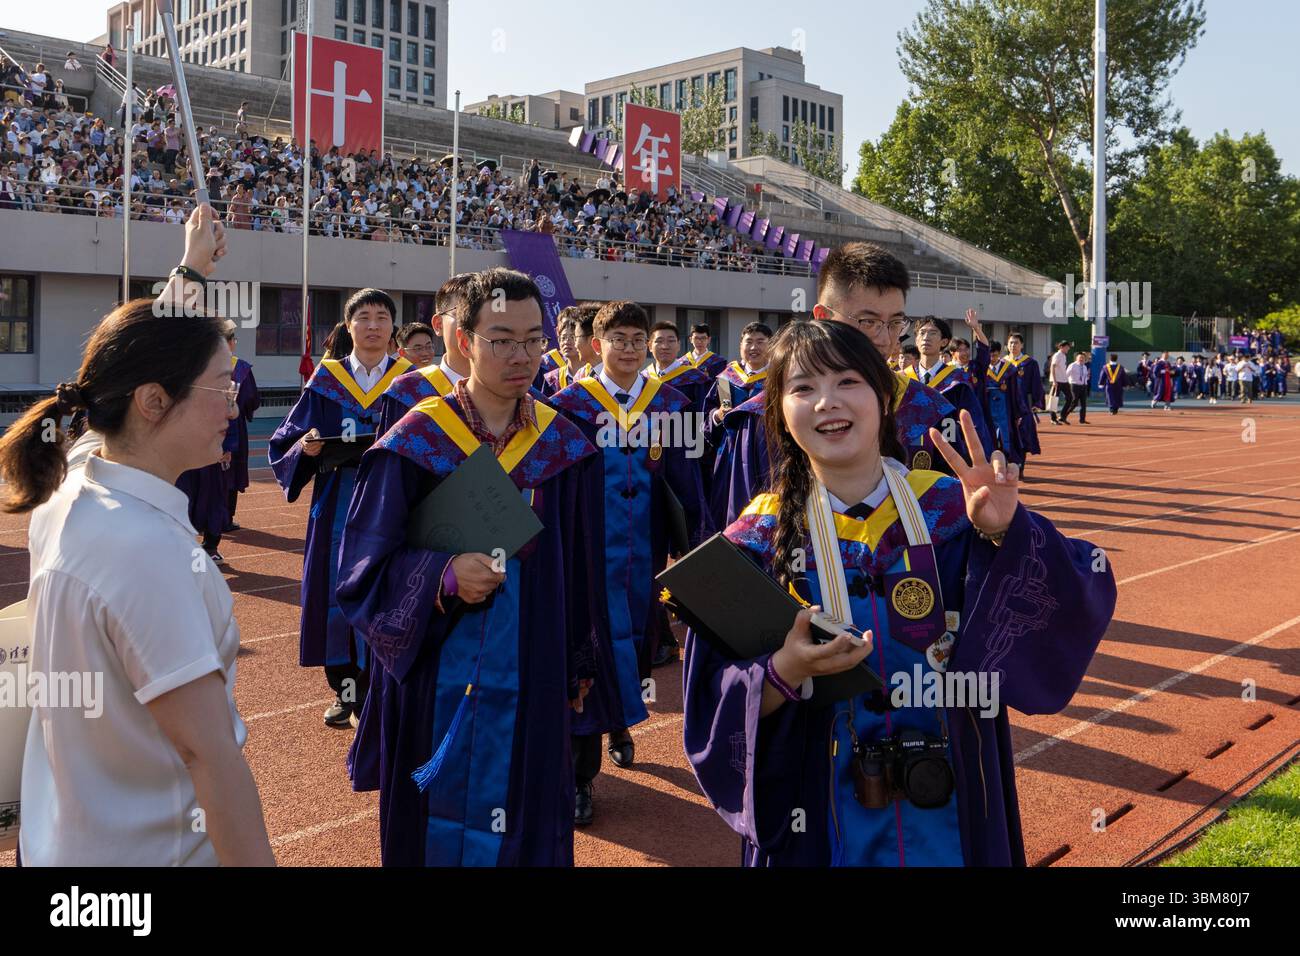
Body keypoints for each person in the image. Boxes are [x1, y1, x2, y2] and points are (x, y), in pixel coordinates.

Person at [682, 318, 1116, 866]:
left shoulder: (954, 514)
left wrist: (1007, 533)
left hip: (950, 791)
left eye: (847, 382)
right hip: (818, 808)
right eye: (802, 388)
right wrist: (785, 670)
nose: (826, 403)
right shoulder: (758, 542)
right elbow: (709, 708)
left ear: (885, 397)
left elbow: (1080, 593)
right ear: (777, 412)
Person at [1, 204, 274, 866]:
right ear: (153, 402)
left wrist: (192, 267)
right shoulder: (145, 550)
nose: (233, 407)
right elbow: (206, 753)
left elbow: (126, 365)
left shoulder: (74, 478)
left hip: (69, 852)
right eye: (221, 388)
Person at [336, 268, 598, 866]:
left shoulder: (565, 448)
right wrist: (443, 575)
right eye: (502, 339)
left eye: (534, 340)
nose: (523, 355)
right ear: (463, 343)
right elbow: (360, 570)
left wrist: (580, 663)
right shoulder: (416, 441)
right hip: (436, 675)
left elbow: (581, 568)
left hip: (535, 669)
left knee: (528, 824)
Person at [550, 301, 708, 826]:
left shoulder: (669, 404)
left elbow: (686, 481)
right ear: (596, 345)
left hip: (643, 552)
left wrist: (699, 544)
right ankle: (578, 777)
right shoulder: (568, 405)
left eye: (638, 340)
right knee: (586, 651)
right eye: (618, 339)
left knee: (636, 643)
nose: (630, 348)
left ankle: (619, 724)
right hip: (587, 553)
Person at [268, 288, 413, 728]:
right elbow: (285, 440)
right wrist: (306, 448)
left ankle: (382, 687)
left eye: (382, 317)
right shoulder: (325, 383)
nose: (373, 325)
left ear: (393, 328)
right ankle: (346, 690)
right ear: (348, 327)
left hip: (394, 504)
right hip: (336, 503)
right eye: (364, 317)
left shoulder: (411, 382)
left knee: (387, 586)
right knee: (336, 587)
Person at [375, 274, 474, 435]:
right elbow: (391, 459)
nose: (477, 324)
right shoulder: (406, 391)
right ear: (438, 324)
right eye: (466, 313)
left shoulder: (520, 394)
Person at [904, 315, 992, 453]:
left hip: (948, 451)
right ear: (916, 340)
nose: (926, 337)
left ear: (944, 342)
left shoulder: (957, 380)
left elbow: (973, 421)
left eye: (932, 333)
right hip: (910, 453)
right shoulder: (903, 378)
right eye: (922, 333)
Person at [223, 326, 261, 532]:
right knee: (231, 470)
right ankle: (225, 518)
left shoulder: (200, 364)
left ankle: (202, 519)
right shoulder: (240, 368)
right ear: (229, 342)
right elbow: (250, 399)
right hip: (233, 424)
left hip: (205, 426)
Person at [981, 341, 1037, 474]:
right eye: (990, 356)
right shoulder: (982, 370)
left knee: (1009, 439)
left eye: (994, 355)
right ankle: (994, 469)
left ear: (999, 354)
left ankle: (1013, 467)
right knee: (990, 440)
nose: (992, 359)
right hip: (989, 410)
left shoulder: (1010, 370)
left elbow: (1016, 393)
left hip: (1006, 410)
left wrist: (1019, 413)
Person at [642, 320, 709, 412]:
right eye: (659, 341)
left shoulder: (696, 379)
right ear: (649, 346)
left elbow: (704, 418)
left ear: (678, 345)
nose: (665, 346)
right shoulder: (643, 379)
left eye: (671, 341)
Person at [543, 302, 601, 396]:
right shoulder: (551, 376)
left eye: (574, 337)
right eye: (564, 337)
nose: (567, 342)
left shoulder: (605, 375)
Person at [1060, 352, 1091, 424]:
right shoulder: (1072, 365)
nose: (1081, 359)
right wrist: (1066, 384)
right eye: (1080, 357)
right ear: (1076, 358)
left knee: (1084, 404)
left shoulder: (1084, 367)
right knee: (1074, 403)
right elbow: (1066, 375)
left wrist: (1086, 384)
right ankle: (1063, 416)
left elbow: (1085, 377)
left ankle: (1082, 419)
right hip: (1074, 386)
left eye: (1083, 358)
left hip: (1083, 386)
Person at [1046, 340, 1070, 424]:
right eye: (1066, 347)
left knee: (1070, 398)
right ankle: (1053, 419)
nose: (1068, 349)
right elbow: (1052, 367)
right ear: (1061, 347)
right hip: (1056, 381)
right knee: (1054, 400)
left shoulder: (1064, 356)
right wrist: (1054, 380)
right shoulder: (1057, 355)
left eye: (1068, 347)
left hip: (1064, 380)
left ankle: (1062, 416)